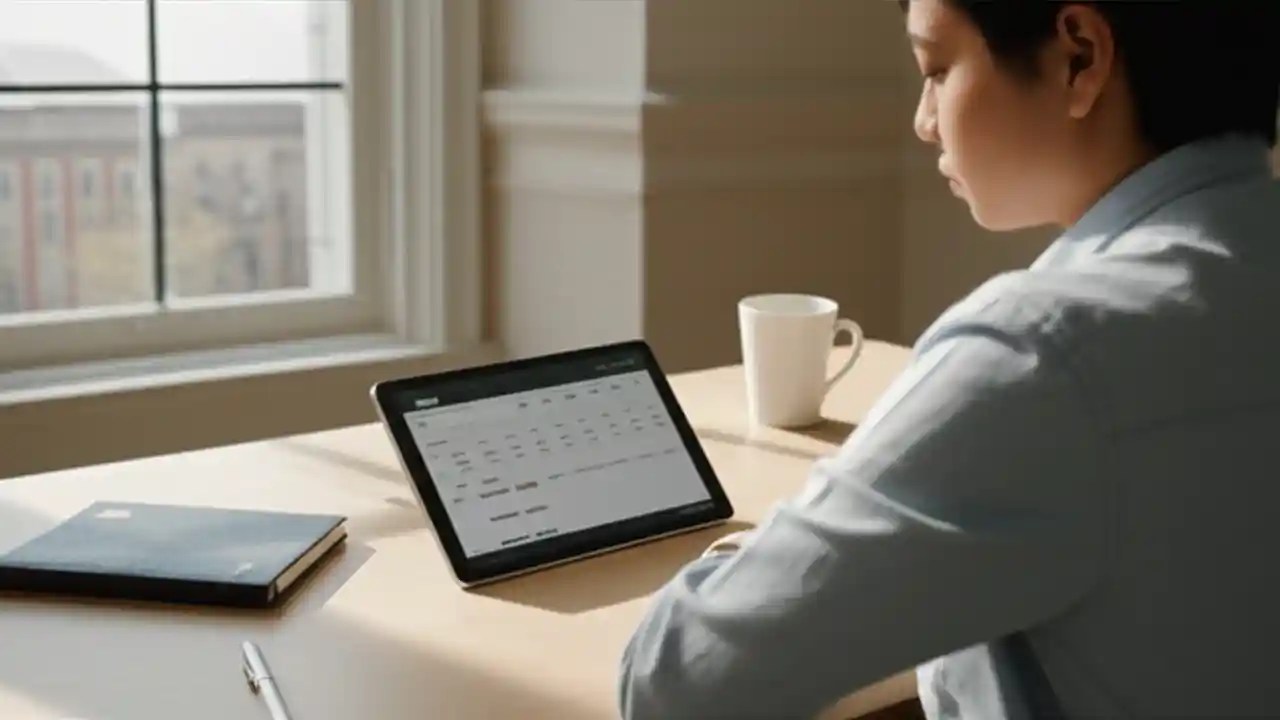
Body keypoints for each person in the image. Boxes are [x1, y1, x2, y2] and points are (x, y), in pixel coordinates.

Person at [617, 1, 1280, 718]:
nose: (923, 120)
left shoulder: (1043, 356)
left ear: (1079, 58)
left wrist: (753, 554)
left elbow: (676, 683)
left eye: (937, 68)